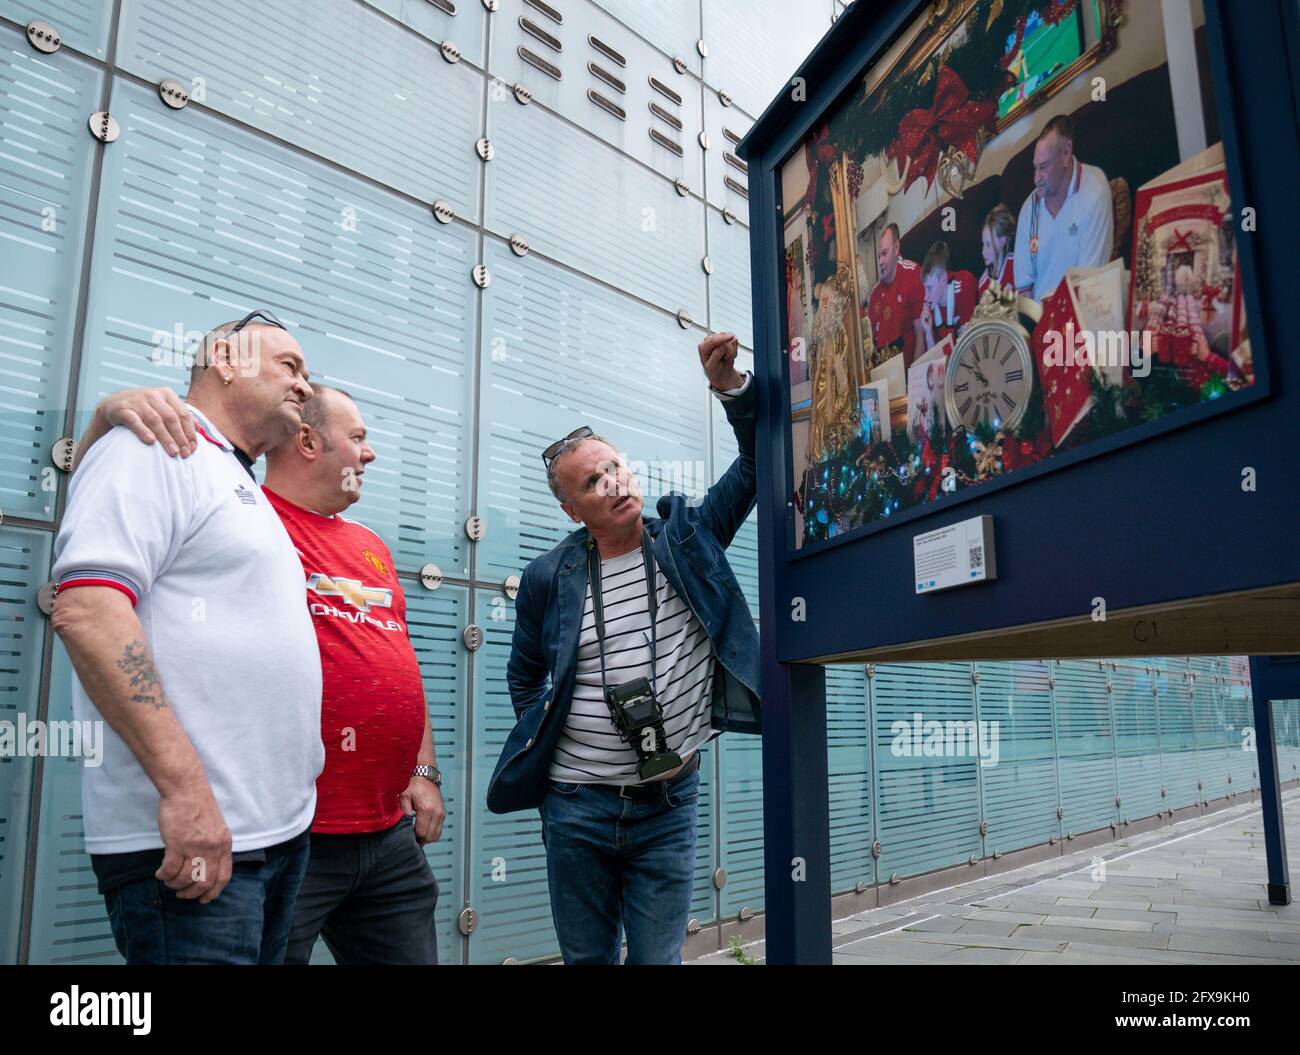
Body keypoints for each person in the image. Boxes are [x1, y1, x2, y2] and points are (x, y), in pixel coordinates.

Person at [77, 382, 449, 965]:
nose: (369, 454)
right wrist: (103, 422)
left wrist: (423, 770)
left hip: (386, 833)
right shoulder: (244, 515)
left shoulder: (369, 543)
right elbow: (98, 527)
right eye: (358, 438)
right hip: (293, 832)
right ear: (306, 441)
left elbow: (400, 659)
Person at [51, 311, 323, 965]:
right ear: (226, 358)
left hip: (272, 839)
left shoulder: (232, 478)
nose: (305, 387)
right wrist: (185, 792)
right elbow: (88, 611)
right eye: (290, 366)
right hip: (194, 839)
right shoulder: (151, 441)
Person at [486, 332, 761, 965]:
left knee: (657, 961)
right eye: (592, 481)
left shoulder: (689, 539)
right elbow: (526, 678)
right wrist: (559, 750)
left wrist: (729, 388)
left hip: (669, 802)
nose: (612, 484)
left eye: (616, 468)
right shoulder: (549, 577)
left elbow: (751, 468)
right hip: (576, 807)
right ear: (570, 507)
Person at [1013, 114, 1113, 303]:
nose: (1036, 179)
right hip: (1042, 323)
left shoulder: (1094, 189)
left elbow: (1090, 283)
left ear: (1066, 152)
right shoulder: (1029, 210)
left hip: (1085, 311)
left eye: (1043, 167)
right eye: (1035, 168)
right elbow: (1024, 291)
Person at [866, 223, 927, 369]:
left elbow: (921, 335)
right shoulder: (874, 295)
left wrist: (913, 382)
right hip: (885, 380)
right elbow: (872, 347)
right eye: (879, 256)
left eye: (885, 254)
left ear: (897, 248)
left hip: (910, 377)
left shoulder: (912, 275)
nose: (880, 261)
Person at [919, 240, 978, 348]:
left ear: (943, 279)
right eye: (925, 289)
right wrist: (928, 333)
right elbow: (937, 360)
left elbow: (972, 344)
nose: (925, 297)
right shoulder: (931, 308)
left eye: (930, 288)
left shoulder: (964, 283)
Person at [978, 203, 1017, 299]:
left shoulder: (1017, 266)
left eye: (988, 244)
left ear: (1002, 241)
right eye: (983, 244)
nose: (983, 252)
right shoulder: (983, 285)